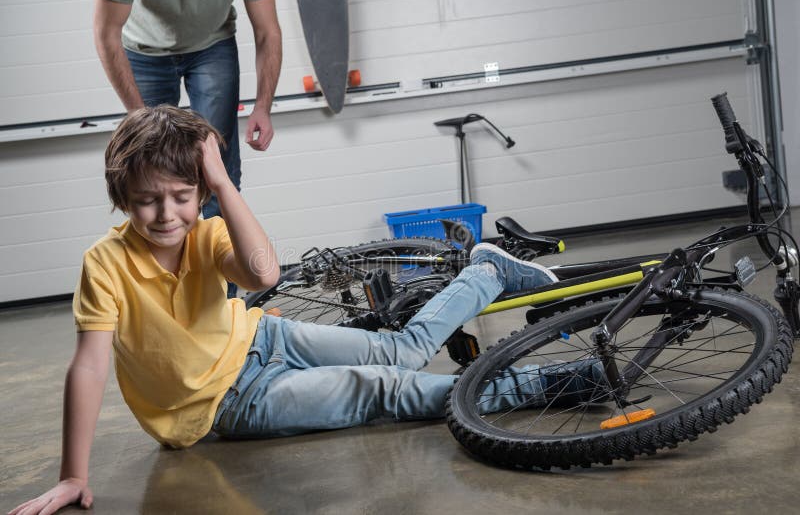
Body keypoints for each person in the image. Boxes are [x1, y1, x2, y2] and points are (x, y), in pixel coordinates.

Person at [9, 106, 607, 514]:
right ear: (122, 198)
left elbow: (264, 273)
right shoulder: (104, 264)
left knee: (397, 348)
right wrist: (73, 474)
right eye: (146, 201)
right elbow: (88, 367)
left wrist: (222, 182)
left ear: (201, 192)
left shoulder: (207, 232)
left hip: (260, 340)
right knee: (388, 389)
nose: (166, 215)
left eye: (182, 197)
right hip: (224, 405)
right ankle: (558, 384)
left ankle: (486, 271)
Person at [93, 0, 282, 220]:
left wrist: (263, 107)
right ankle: (168, 251)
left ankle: (219, 250)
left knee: (218, 159)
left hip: (212, 46)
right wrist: (138, 118)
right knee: (152, 161)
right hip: (145, 51)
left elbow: (268, 31)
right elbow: (106, 34)